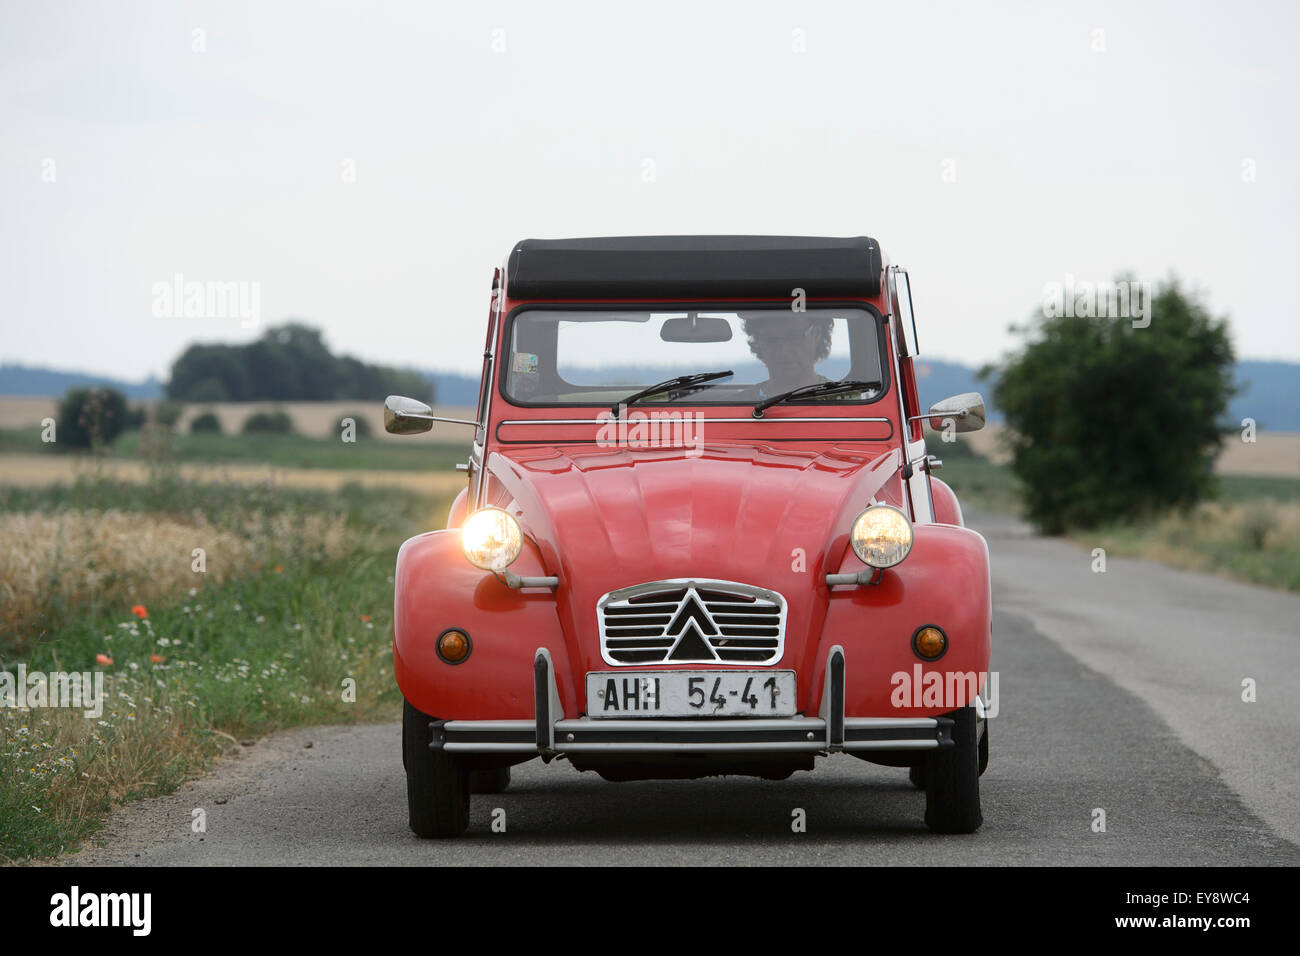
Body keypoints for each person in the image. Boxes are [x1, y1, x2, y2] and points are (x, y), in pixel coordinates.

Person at [740, 312, 835, 396]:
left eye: (794, 337)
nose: (783, 350)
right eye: (771, 339)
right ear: (758, 342)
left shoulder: (840, 399)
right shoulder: (740, 403)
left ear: (816, 334)